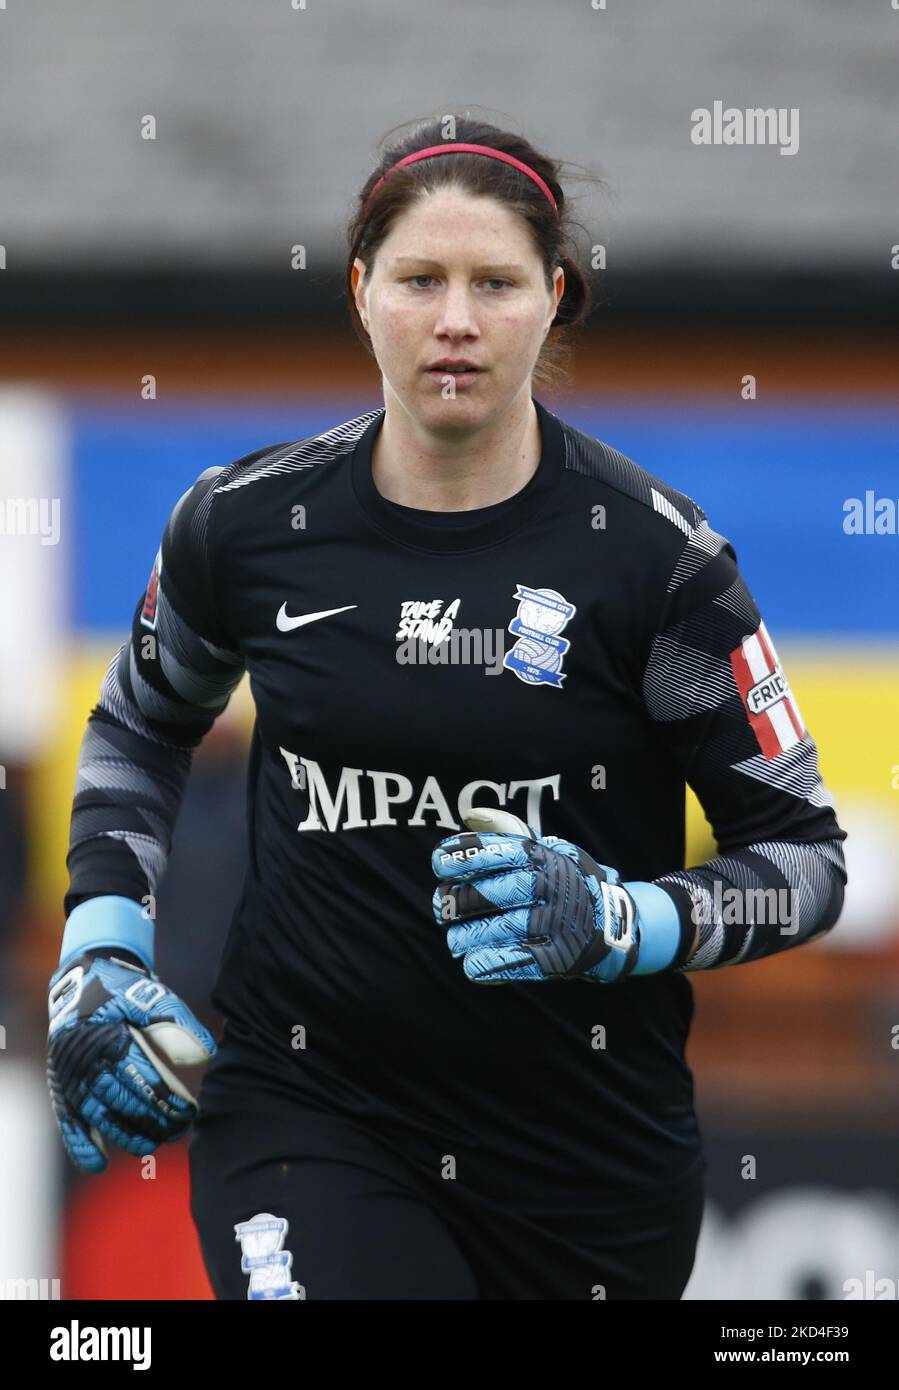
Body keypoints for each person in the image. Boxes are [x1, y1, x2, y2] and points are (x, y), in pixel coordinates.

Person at [46, 115, 848, 1301]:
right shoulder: (243, 526)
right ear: (362, 293)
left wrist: (623, 919)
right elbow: (141, 724)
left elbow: (803, 862)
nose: (456, 321)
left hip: (585, 1164)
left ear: (556, 298)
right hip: (307, 1110)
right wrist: (100, 940)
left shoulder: (658, 566)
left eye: (496, 283)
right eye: (420, 279)